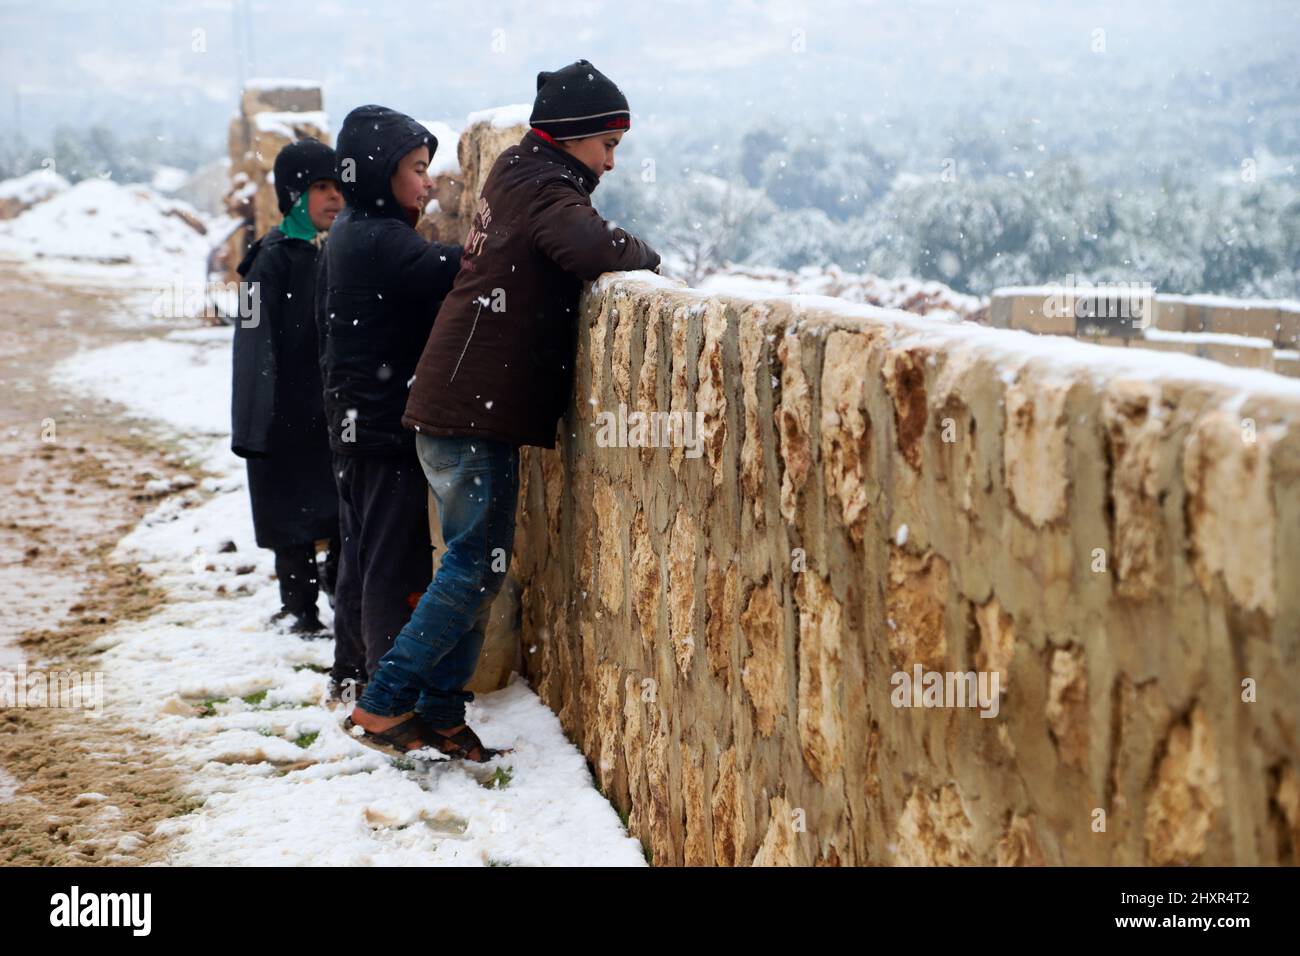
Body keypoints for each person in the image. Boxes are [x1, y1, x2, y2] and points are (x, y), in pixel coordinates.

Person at [347, 60, 661, 760]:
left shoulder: (520, 172)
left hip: (458, 400)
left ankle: (440, 711)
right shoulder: (546, 187)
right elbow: (589, 246)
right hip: (470, 410)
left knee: (475, 563)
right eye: (606, 144)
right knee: (473, 565)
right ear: (572, 136)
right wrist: (647, 254)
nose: (610, 162)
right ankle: (385, 701)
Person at [318, 106, 463, 703]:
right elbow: (458, 267)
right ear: (381, 174)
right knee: (393, 564)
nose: (429, 182)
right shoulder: (381, 238)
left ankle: (352, 673)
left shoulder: (353, 229)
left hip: (355, 423)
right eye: (417, 169)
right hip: (380, 427)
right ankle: (388, 698)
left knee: (361, 552)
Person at [231, 138, 343, 636]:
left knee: (340, 510)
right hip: (282, 413)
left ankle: (340, 592)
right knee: (290, 520)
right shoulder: (269, 262)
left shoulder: (334, 252)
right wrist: (256, 420)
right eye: (320, 187)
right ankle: (299, 609)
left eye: (339, 186)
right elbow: (252, 343)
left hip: (326, 413)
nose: (334, 197)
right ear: (295, 194)